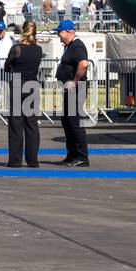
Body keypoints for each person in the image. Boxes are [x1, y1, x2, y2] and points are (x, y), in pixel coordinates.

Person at [5, 23, 43, 168]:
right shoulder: (38, 49)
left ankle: (15, 160)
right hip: (32, 85)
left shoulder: (16, 49)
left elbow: (7, 66)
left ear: (23, 31)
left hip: (17, 83)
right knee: (31, 124)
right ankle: (33, 160)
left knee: (16, 123)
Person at [52, 20, 89, 167]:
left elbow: (83, 64)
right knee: (67, 121)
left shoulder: (77, 45)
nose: (58, 35)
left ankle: (81, 157)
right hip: (69, 89)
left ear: (69, 32)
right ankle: (72, 154)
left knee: (74, 123)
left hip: (76, 89)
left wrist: (74, 81)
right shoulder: (69, 46)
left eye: (60, 32)